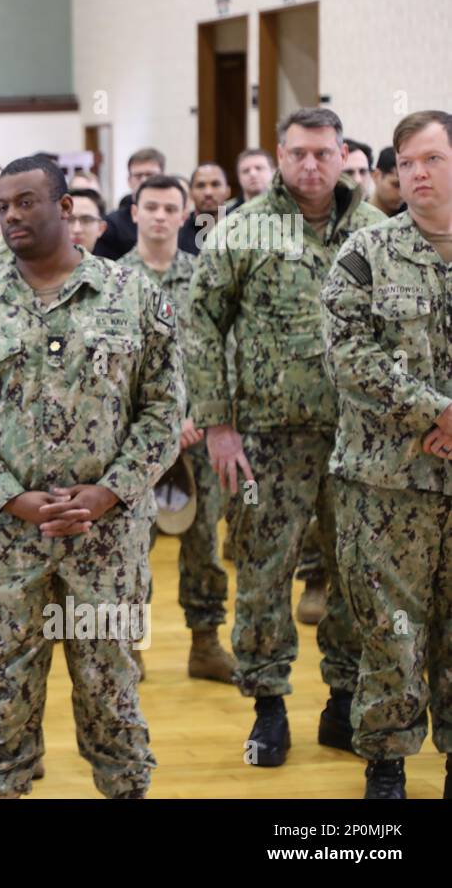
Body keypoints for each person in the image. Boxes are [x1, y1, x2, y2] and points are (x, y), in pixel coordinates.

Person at [0, 154, 183, 798]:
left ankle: (125, 786)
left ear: (66, 207)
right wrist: (11, 498)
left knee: (111, 685)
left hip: (106, 540)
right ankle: (2, 784)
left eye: (26, 201)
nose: (12, 214)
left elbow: (164, 410)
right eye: (3, 204)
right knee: (4, 686)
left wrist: (111, 491)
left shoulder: (133, 295)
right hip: (4, 543)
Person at [187, 107, 386, 768]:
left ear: (342, 155)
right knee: (266, 575)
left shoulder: (376, 231)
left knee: (356, 576)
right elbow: (202, 325)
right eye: (297, 153)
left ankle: (341, 700)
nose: (310, 166)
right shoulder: (242, 229)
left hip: (360, 440)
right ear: (279, 153)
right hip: (266, 439)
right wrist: (217, 422)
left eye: (323, 154)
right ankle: (269, 706)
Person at [321, 109, 452, 800]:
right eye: (405, 163)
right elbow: (349, 357)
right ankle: (387, 765)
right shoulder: (366, 253)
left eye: (431, 158)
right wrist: (440, 414)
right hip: (387, 484)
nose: (417, 174)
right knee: (389, 632)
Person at [120, 175, 236, 682]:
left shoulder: (206, 275)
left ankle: (205, 642)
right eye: (152, 207)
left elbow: (222, 351)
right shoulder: (111, 279)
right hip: (135, 443)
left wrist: (197, 418)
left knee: (204, 543)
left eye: (171, 208)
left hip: (198, 436)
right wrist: (162, 426)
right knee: (130, 546)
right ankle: (130, 644)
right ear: (135, 212)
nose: (161, 216)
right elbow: (107, 368)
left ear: (186, 213)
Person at [92, 147, 166, 261]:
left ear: (163, 177)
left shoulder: (175, 216)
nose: (144, 180)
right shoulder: (112, 224)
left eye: (150, 174)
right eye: (138, 176)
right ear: (129, 180)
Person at [183, 163, 231, 255]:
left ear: (227, 191)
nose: (208, 192)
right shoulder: (178, 233)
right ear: (190, 193)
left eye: (215, 184)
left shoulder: (242, 229)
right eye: (201, 186)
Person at [370, 146, 406, 217]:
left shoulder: (415, 218)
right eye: (396, 185)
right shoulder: (352, 213)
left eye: (407, 186)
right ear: (376, 176)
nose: (402, 194)